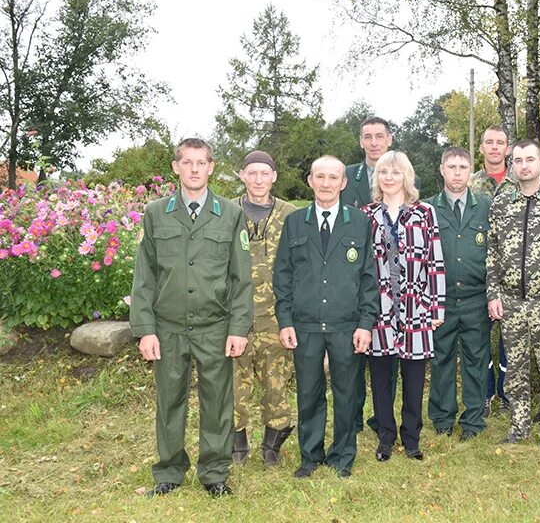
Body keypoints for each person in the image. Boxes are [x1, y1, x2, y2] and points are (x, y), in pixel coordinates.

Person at [131, 138, 253, 497]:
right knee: (169, 400)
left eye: (201, 162)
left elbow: (240, 277)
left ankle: (215, 473)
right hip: (167, 327)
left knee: (217, 402)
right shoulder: (156, 212)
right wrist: (145, 330)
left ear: (211, 167)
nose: (195, 169)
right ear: (177, 167)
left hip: (214, 326)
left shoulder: (230, 214)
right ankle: (168, 470)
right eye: (188, 162)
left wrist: (238, 327)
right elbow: (144, 277)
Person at [273, 155, 377, 479]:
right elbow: (283, 275)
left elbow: (369, 278)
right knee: (308, 392)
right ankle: (310, 455)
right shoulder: (295, 222)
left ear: (343, 183)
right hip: (304, 325)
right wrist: (285, 319)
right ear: (310, 181)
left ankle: (343, 456)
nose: (327, 183)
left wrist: (365, 324)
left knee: (347, 394)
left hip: (346, 325)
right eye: (320, 176)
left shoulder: (360, 223)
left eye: (334, 177)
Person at [486, 139, 540, 455]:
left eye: (529, 159)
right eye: (518, 160)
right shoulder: (501, 203)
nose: (523, 165)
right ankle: (519, 427)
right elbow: (493, 251)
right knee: (516, 371)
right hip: (510, 302)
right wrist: (493, 294)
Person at [363, 151, 445, 462]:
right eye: (383, 172)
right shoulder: (367, 215)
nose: (389, 177)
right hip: (380, 308)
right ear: (377, 177)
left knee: (413, 379)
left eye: (395, 172)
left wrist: (436, 307)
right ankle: (385, 437)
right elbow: (363, 269)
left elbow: (435, 261)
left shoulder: (424, 213)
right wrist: (365, 311)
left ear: (406, 177)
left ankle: (411, 439)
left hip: (417, 306)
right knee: (381, 379)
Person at [341, 116, 418, 433]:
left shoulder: (403, 177)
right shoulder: (346, 176)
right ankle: (355, 417)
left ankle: (382, 419)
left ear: (389, 140)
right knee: (357, 361)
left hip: (399, 294)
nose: (373, 142)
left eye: (379, 136)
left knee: (387, 359)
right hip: (358, 281)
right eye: (367, 137)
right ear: (360, 141)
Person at [231, 150, 298, 467]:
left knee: (276, 384)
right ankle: (237, 444)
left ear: (274, 176)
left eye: (264, 173)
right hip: (236, 317)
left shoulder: (292, 214)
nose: (258, 179)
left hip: (276, 317)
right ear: (242, 175)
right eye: (252, 173)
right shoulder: (226, 213)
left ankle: (273, 445)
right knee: (233, 385)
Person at [427, 147, 491, 440]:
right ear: (441, 169)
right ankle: (442, 418)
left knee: (476, 360)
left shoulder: (486, 207)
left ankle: (474, 420)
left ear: (470, 170)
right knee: (441, 358)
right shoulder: (427, 209)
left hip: (477, 297)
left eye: (462, 167)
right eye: (451, 167)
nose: (456, 173)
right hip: (440, 300)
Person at [468, 126, 517, 417]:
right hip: (477, 271)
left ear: (508, 148)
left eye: (500, 143)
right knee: (479, 340)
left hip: (512, 273)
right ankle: (485, 394)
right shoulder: (470, 183)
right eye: (490, 142)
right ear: (482, 147)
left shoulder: (520, 180)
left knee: (511, 340)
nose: (495, 147)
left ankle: (508, 394)